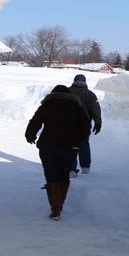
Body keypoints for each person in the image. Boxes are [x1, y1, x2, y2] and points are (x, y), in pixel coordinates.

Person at [25, 85, 92, 220]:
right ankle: (59, 204)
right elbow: (86, 126)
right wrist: (78, 141)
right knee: (63, 176)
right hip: (70, 148)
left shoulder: (47, 105)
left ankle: (55, 209)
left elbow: (35, 122)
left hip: (47, 147)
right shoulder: (76, 107)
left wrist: (30, 136)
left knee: (51, 176)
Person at [68, 73, 103, 175]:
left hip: (68, 124)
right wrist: (98, 123)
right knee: (84, 144)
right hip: (85, 125)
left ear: (74, 81)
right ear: (85, 82)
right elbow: (96, 110)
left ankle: (71, 169)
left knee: (70, 145)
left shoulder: (67, 92)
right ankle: (85, 167)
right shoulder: (90, 95)